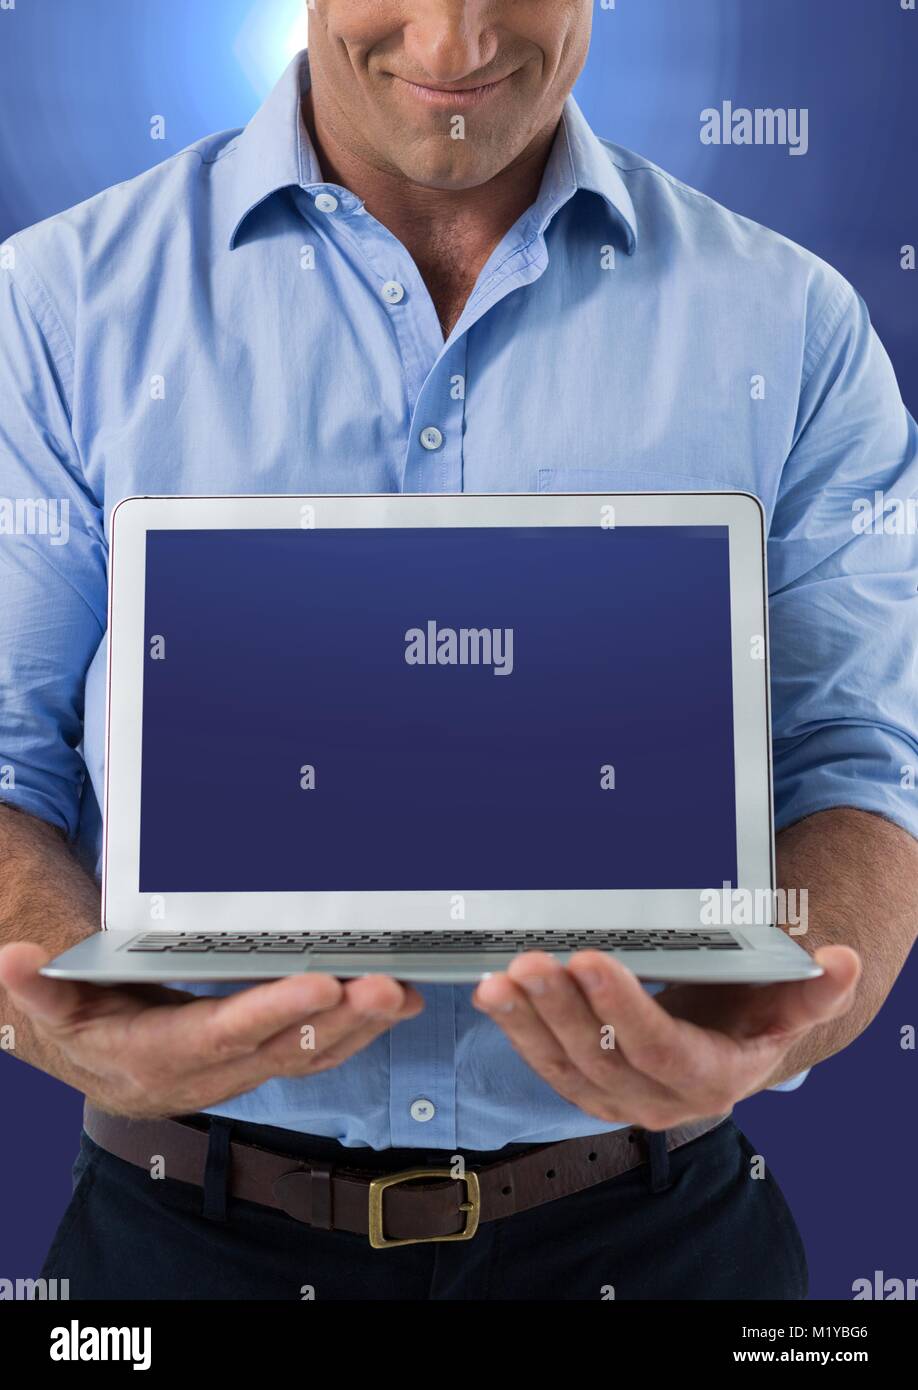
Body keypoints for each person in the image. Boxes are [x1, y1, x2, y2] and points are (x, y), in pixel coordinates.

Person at [0, 1, 915, 1301]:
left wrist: (792, 1009)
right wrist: (51, 991)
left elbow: (857, 761)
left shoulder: (792, 324)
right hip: (178, 1241)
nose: (451, 38)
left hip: (666, 1236)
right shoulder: (50, 306)